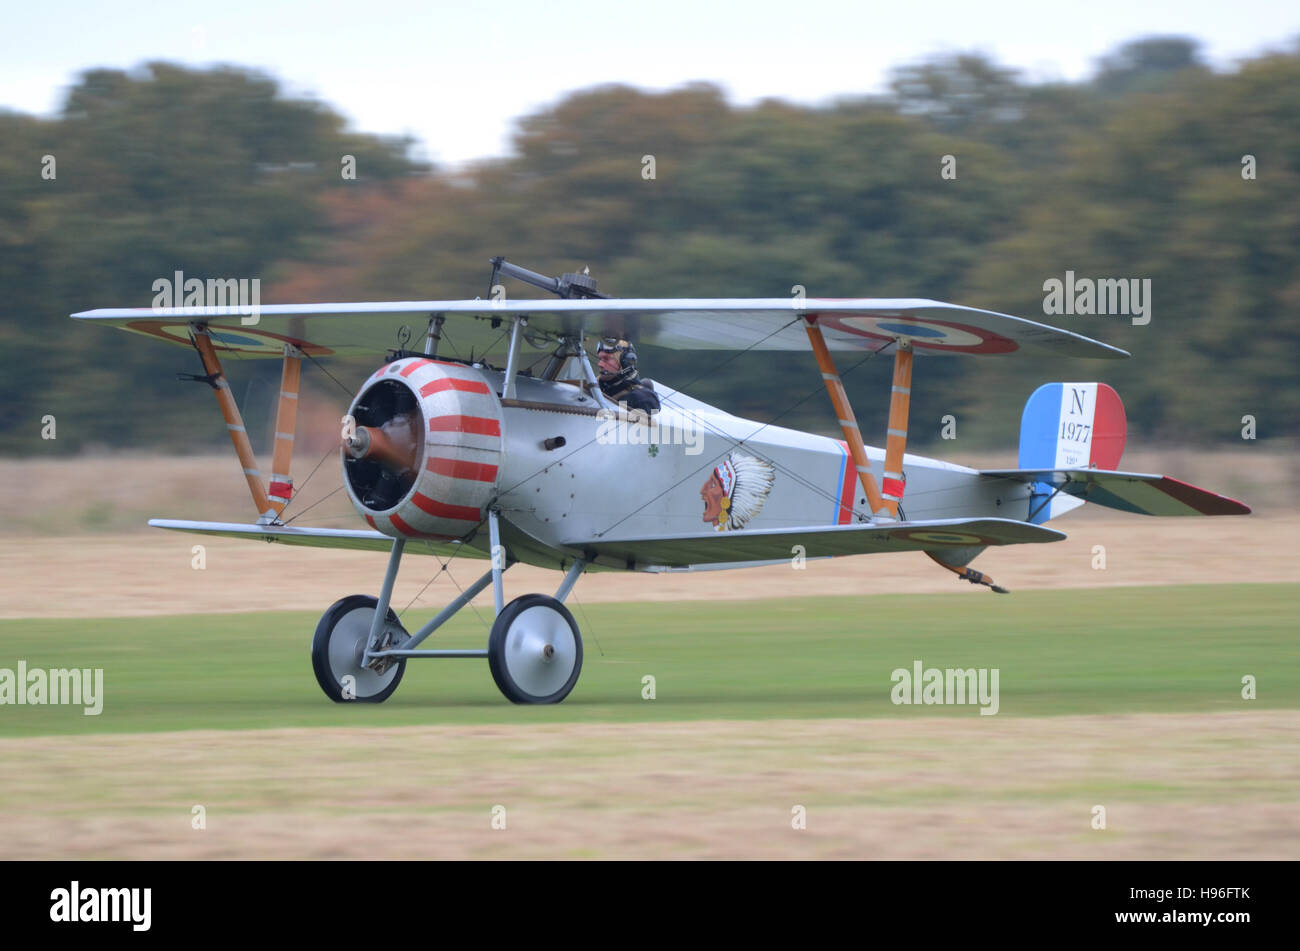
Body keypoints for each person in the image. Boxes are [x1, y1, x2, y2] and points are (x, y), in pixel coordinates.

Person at [595, 338, 660, 415]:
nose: (600, 364)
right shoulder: (594, 388)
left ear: (625, 362)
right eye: (600, 359)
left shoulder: (640, 399)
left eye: (606, 359)